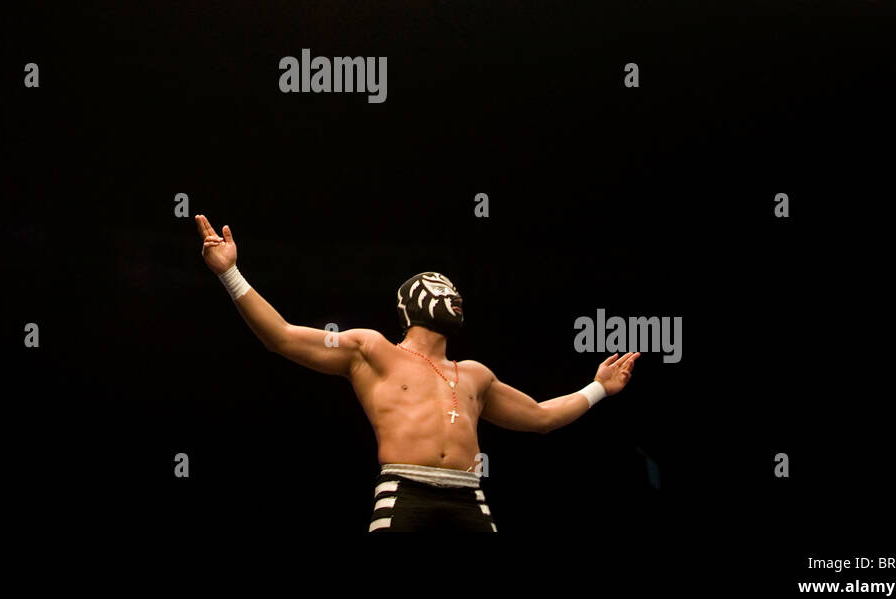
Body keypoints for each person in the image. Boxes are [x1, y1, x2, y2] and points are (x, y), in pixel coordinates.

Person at [195, 214, 639, 532]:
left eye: (458, 291)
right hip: (404, 493)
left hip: (470, 496)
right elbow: (283, 337)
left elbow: (541, 416)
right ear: (414, 304)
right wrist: (230, 273)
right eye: (445, 290)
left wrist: (598, 387)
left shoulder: (474, 375)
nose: (456, 298)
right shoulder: (371, 349)